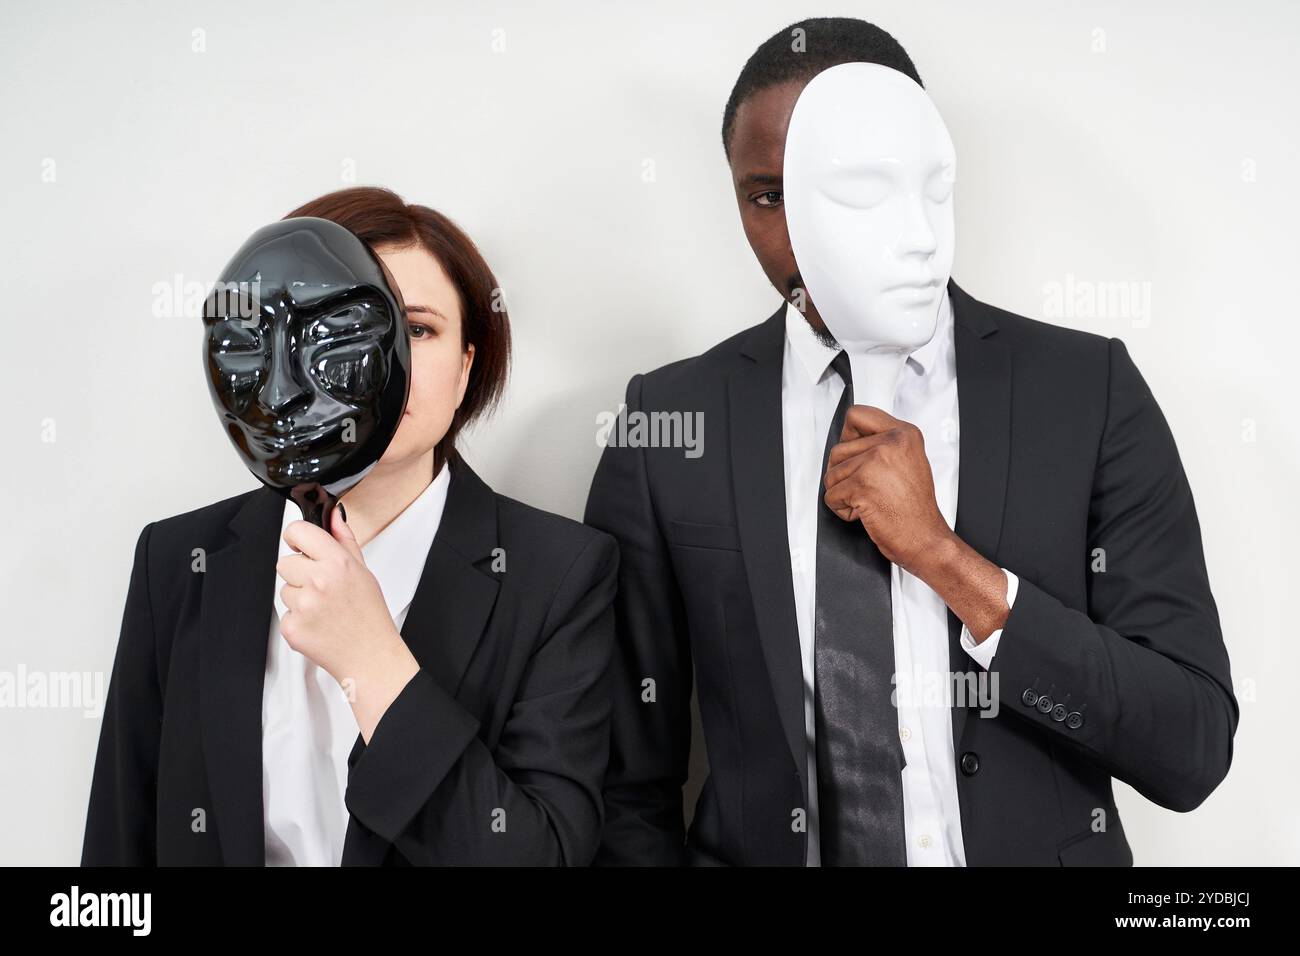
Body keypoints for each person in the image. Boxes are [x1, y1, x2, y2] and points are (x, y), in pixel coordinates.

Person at [585, 17, 1236, 865]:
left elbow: (1188, 748)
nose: (802, 241)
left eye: (844, 190)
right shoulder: (667, 424)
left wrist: (947, 562)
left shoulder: (1087, 393)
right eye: (768, 198)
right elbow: (627, 782)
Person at [82, 186, 618, 866]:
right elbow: (120, 845)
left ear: (466, 366)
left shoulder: (559, 576)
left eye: (416, 329)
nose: (371, 370)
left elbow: (540, 855)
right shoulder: (180, 560)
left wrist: (375, 663)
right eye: (318, 330)